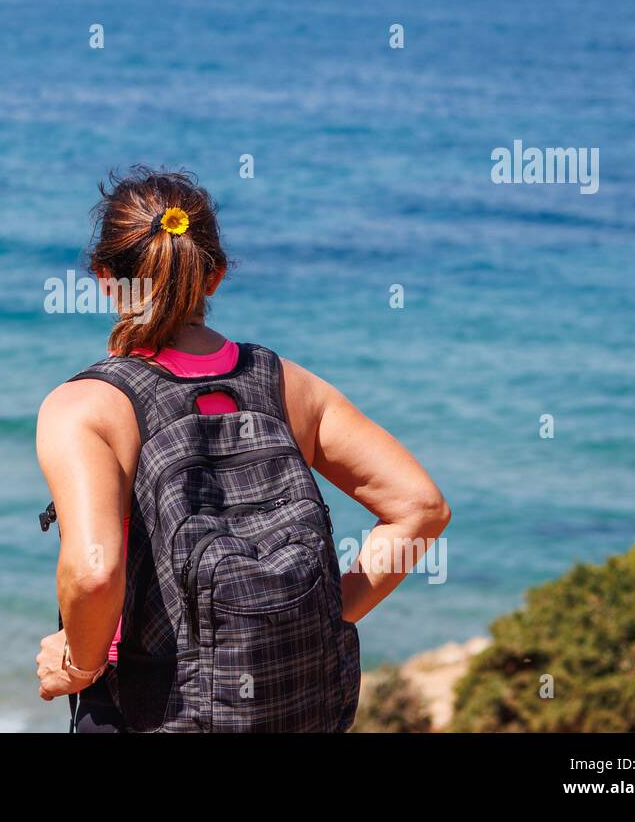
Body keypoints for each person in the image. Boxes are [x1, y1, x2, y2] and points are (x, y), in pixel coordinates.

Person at [34, 167, 450, 732]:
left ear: (105, 279)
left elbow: (94, 573)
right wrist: (323, 616)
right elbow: (420, 508)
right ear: (215, 276)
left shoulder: (85, 407)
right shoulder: (286, 384)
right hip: (292, 703)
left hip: (151, 707)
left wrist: (79, 665)